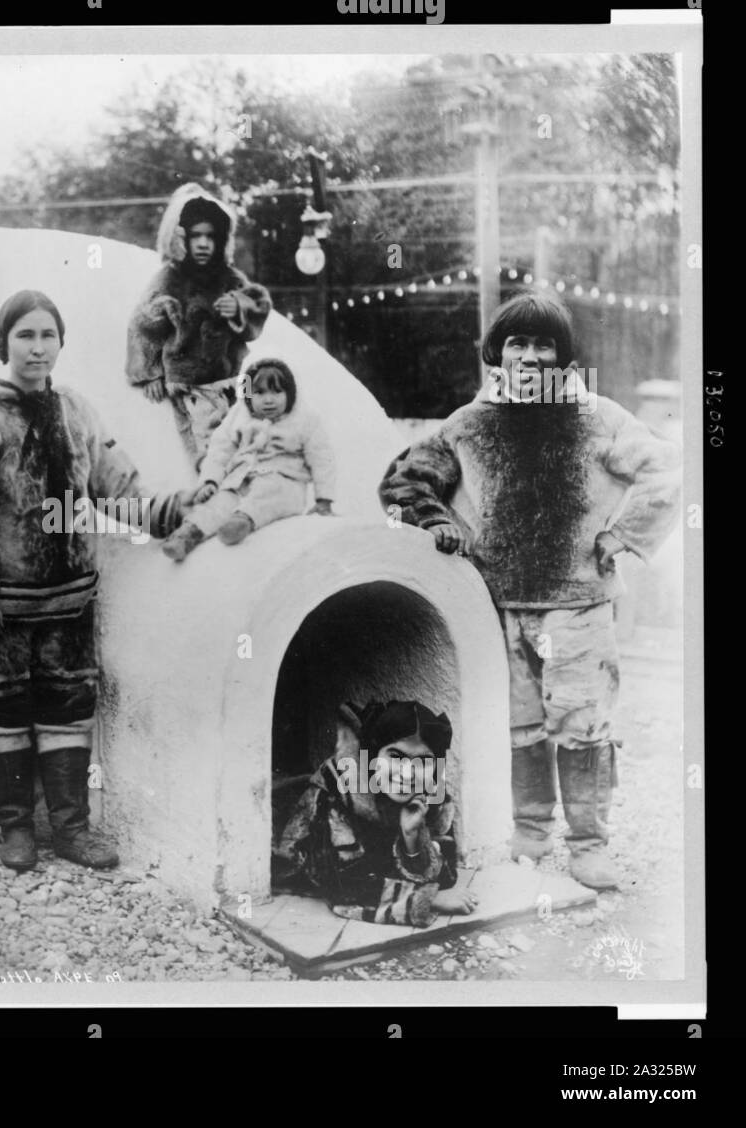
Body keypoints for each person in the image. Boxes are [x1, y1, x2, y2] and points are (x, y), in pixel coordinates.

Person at [378, 291, 681, 889]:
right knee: (522, 727)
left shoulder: (596, 415)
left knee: (583, 724)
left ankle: (591, 844)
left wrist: (624, 534)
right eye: (519, 343)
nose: (532, 356)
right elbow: (404, 482)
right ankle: (533, 833)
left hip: (579, 606)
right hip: (503, 605)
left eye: (545, 344)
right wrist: (439, 522)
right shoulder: (470, 422)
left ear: (562, 356)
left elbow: (668, 468)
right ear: (499, 353)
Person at [0, 290, 188, 871]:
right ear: (2, 343)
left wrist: (182, 510)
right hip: (2, 602)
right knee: (3, 706)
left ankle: (72, 831)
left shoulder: (78, 411)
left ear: (61, 343)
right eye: (24, 335)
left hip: (70, 597)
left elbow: (118, 488)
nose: (36, 347)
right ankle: (17, 830)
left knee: (69, 705)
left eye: (47, 335)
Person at [275, 702, 477, 928]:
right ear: (372, 756)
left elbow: (447, 876)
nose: (407, 773)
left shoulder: (431, 793)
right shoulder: (337, 791)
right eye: (395, 756)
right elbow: (343, 887)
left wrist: (413, 837)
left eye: (422, 762)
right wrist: (429, 898)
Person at [125, 183, 272, 468]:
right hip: (191, 383)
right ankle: (214, 485)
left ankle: (251, 475)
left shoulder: (228, 277)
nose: (204, 244)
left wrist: (239, 306)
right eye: (196, 237)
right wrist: (151, 374)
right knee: (207, 441)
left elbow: (259, 303)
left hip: (232, 377)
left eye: (211, 237)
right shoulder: (169, 278)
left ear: (221, 241)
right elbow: (141, 324)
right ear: (181, 240)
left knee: (249, 429)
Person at [161, 357, 337, 560]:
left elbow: (322, 458)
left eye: (277, 391)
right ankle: (189, 534)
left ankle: (242, 521)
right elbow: (220, 450)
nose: (269, 399)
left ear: (290, 393)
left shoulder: (305, 420)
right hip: (241, 480)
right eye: (260, 392)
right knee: (221, 501)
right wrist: (210, 480)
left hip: (284, 482)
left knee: (268, 494)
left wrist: (324, 499)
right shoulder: (239, 416)